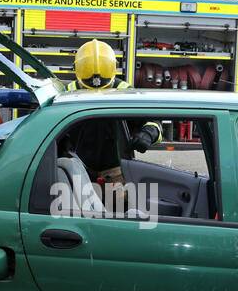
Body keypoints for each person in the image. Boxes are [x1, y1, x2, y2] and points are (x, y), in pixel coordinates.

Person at [62, 39, 163, 187]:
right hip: (77, 167)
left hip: (116, 170)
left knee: (117, 207)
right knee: (78, 209)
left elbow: (154, 122)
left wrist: (147, 134)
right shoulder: (68, 92)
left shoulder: (125, 92)